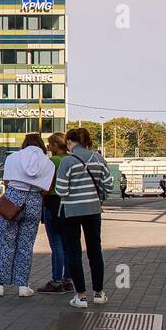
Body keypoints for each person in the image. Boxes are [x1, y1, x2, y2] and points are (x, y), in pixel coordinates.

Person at [54, 127, 113, 308]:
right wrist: (97, 196)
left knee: (74, 252)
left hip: (70, 211)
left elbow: (61, 189)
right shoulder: (98, 158)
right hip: (93, 210)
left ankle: (80, 296)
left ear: (70, 142)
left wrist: (73, 193)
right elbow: (109, 185)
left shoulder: (68, 161)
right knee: (95, 250)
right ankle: (99, 293)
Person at [0, 134, 56, 298]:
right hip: (34, 201)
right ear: (41, 145)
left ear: (25, 144)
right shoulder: (47, 163)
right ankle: (23, 285)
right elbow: (46, 189)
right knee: (26, 245)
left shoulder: (13, 158)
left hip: (13, 199)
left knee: (5, 242)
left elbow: (6, 181)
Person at [37, 133, 74, 294]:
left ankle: (56, 281)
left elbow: (47, 185)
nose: (48, 147)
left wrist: (41, 193)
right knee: (67, 245)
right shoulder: (71, 160)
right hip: (69, 206)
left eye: (50, 144)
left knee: (56, 245)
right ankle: (68, 280)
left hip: (53, 204)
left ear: (55, 145)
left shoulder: (53, 161)